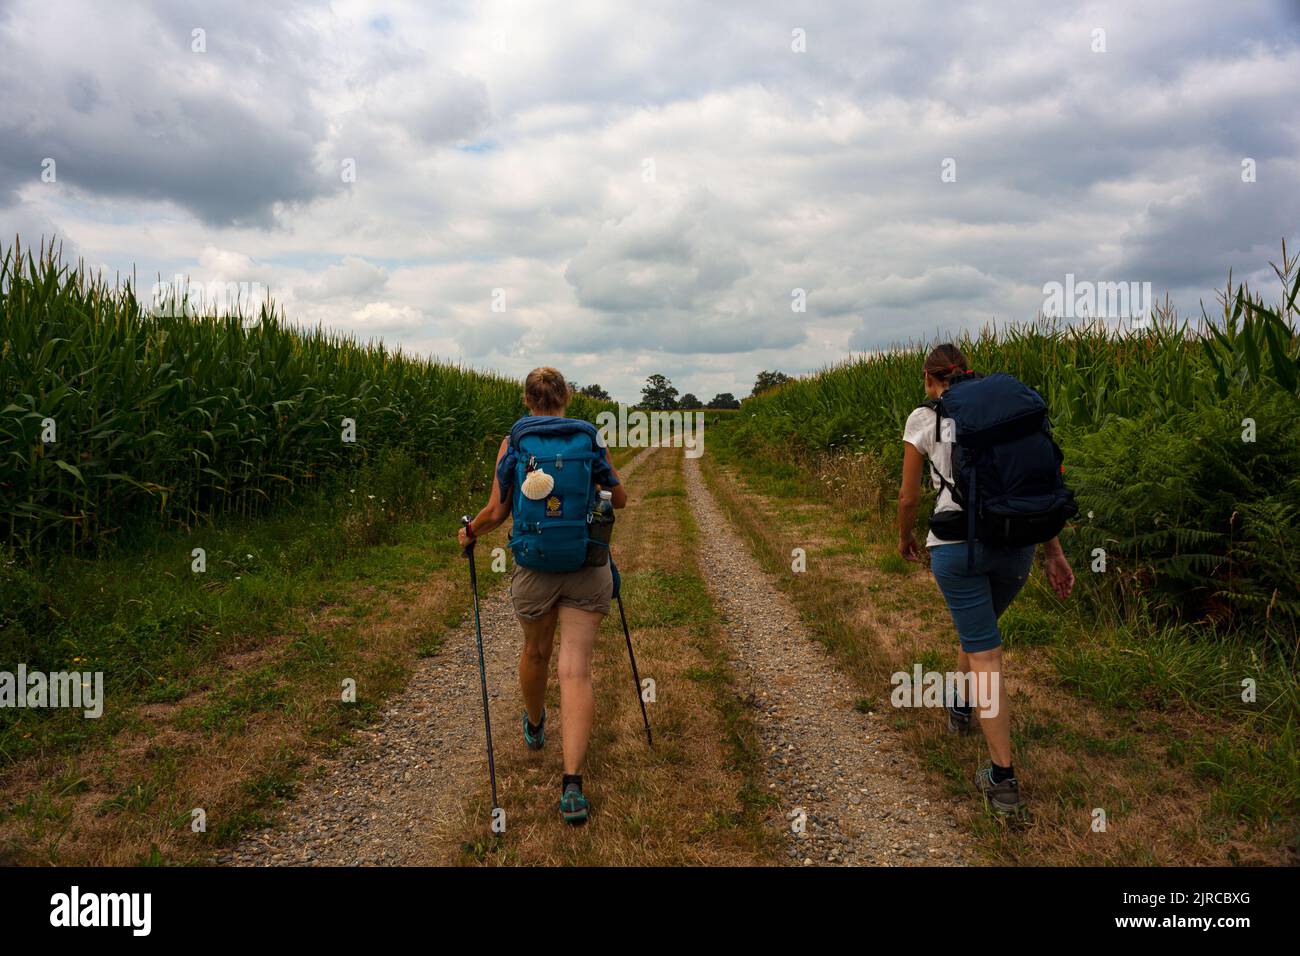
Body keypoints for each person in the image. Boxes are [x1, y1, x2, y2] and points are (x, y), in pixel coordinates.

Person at [898, 344, 1074, 816]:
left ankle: (1002, 778)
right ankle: (959, 704)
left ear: (929, 376)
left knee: (985, 652)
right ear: (967, 370)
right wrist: (1053, 550)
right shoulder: (1006, 407)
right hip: (1019, 543)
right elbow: (1038, 479)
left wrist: (904, 539)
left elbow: (909, 498)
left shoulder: (924, 418)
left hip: (957, 549)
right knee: (978, 634)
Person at [457, 367, 627, 824]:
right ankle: (572, 785)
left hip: (534, 568)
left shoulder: (514, 442)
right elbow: (620, 496)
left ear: (528, 400)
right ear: (566, 397)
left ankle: (535, 725)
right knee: (575, 670)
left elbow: (497, 511)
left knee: (535, 653)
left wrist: (469, 532)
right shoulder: (589, 438)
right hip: (587, 567)